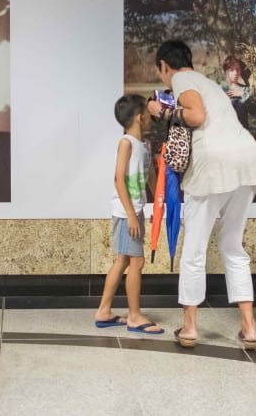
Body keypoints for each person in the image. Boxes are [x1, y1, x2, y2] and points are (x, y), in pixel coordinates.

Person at [147, 41, 256, 349]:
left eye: (161, 71)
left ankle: (189, 328)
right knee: (232, 245)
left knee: (195, 249)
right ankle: (249, 328)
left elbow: (195, 116)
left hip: (214, 165)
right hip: (247, 159)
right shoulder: (208, 83)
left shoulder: (181, 79)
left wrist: (161, 111)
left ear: (164, 66)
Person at [94, 94, 164, 335]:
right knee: (137, 261)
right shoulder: (126, 143)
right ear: (139, 117)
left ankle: (104, 311)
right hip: (127, 213)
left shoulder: (142, 144)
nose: (151, 115)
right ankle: (134, 316)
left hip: (135, 210)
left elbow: (150, 177)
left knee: (123, 260)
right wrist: (132, 216)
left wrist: (155, 206)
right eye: (147, 111)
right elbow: (118, 179)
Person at [221, 55, 252, 128]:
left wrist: (242, 94)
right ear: (226, 71)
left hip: (243, 131)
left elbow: (253, 109)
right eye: (232, 70)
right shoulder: (220, 90)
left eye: (237, 70)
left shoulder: (245, 90)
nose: (235, 73)